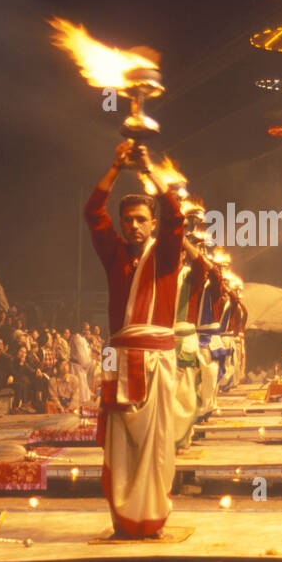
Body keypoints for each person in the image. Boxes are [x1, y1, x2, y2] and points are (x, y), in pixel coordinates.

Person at [85, 141, 192, 538]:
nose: (132, 226)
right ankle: (122, 521)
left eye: (140, 220)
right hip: (117, 357)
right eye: (127, 219)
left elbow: (176, 218)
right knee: (118, 445)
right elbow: (92, 212)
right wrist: (115, 167)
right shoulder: (113, 254)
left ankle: (150, 518)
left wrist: (149, 171)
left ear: (151, 225)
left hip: (155, 361)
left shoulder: (165, 256)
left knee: (154, 445)